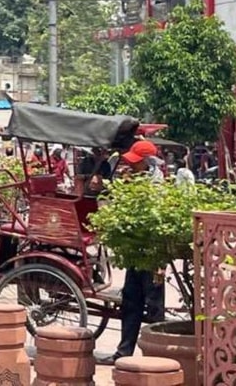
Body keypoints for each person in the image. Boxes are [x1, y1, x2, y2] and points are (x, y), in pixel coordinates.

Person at [96, 139, 166, 366]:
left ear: (147, 162)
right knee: (131, 300)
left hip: (151, 250)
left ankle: (156, 359)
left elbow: (154, 219)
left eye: (136, 163)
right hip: (135, 251)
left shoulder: (155, 185)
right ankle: (123, 352)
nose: (131, 166)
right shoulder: (136, 179)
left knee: (154, 305)